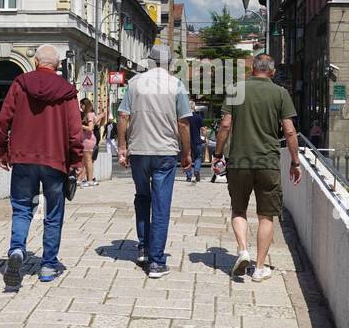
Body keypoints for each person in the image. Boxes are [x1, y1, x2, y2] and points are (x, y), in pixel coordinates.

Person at [0, 44, 84, 287]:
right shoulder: (67, 90)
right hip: (55, 160)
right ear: (57, 67)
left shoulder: (20, 83)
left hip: (23, 158)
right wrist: (76, 160)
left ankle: (16, 251)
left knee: (22, 208)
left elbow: (3, 120)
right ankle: (48, 266)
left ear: (35, 62)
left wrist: (3, 150)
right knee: (53, 213)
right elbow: (75, 132)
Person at [212, 54, 301, 283]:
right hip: (268, 162)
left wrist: (218, 154)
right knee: (266, 216)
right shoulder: (280, 93)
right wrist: (295, 161)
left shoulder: (236, 90)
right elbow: (289, 131)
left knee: (239, 210)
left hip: (239, 161)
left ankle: (243, 250)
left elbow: (225, 125)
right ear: (271, 72)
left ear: (252, 70)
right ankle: (259, 269)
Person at [117, 44, 193, 279]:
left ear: (149, 62)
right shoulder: (177, 85)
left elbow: (122, 116)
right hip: (165, 152)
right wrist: (187, 153)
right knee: (160, 205)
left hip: (138, 150)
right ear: (170, 63)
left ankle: (143, 247)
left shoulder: (135, 83)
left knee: (142, 197)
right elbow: (183, 123)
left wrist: (122, 147)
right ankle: (157, 262)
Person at [78, 97, 107, 187]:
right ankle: (81, 179)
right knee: (85, 161)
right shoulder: (91, 114)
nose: (80, 107)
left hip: (88, 140)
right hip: (88, 139)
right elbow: (99, 122)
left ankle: (89, 180)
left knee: (88, 161)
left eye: (81, 104)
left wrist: (80, 125)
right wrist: (102, 114)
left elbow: (90, 128)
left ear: (84, 105)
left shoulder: (89, 114)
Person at [184, 104, 206, 182]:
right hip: (196, 140)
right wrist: (205, 137)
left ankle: (189, 176)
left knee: (187, 156)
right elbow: (203, 129)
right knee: (198, 157)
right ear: (194, 107)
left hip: (186, 140)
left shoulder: (184, 117)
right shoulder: (198, 117)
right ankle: (196, 170)